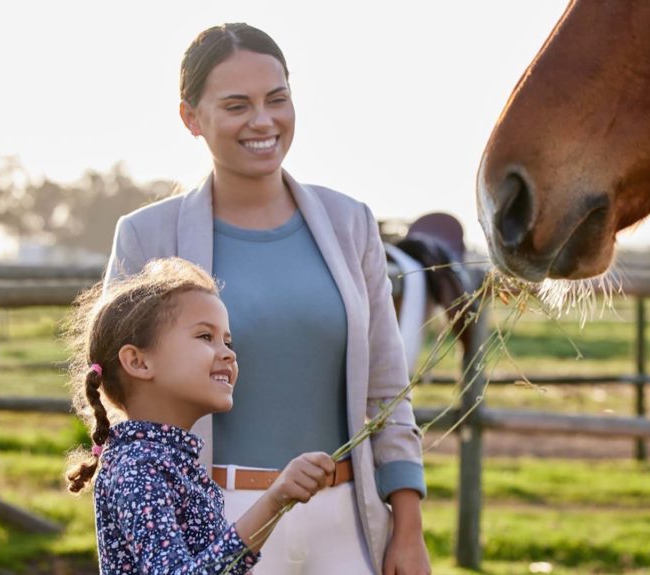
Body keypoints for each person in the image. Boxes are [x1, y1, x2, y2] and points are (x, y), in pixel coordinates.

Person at [104, 22, 431, 575]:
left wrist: (408, 525)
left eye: (277, 99)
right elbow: (125, 395)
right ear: (191, 118)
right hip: (218, 523)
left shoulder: (350, 223)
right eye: (237, 105)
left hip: (347, 523)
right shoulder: (146, 237)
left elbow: (387, 389)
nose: (263, 121)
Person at [65, 257, 336, 574]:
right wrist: (274, 500)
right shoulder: (138, 467)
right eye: (205, 337)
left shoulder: (169, 458)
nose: (229, 353)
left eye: (227, 340)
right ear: (138, 362)